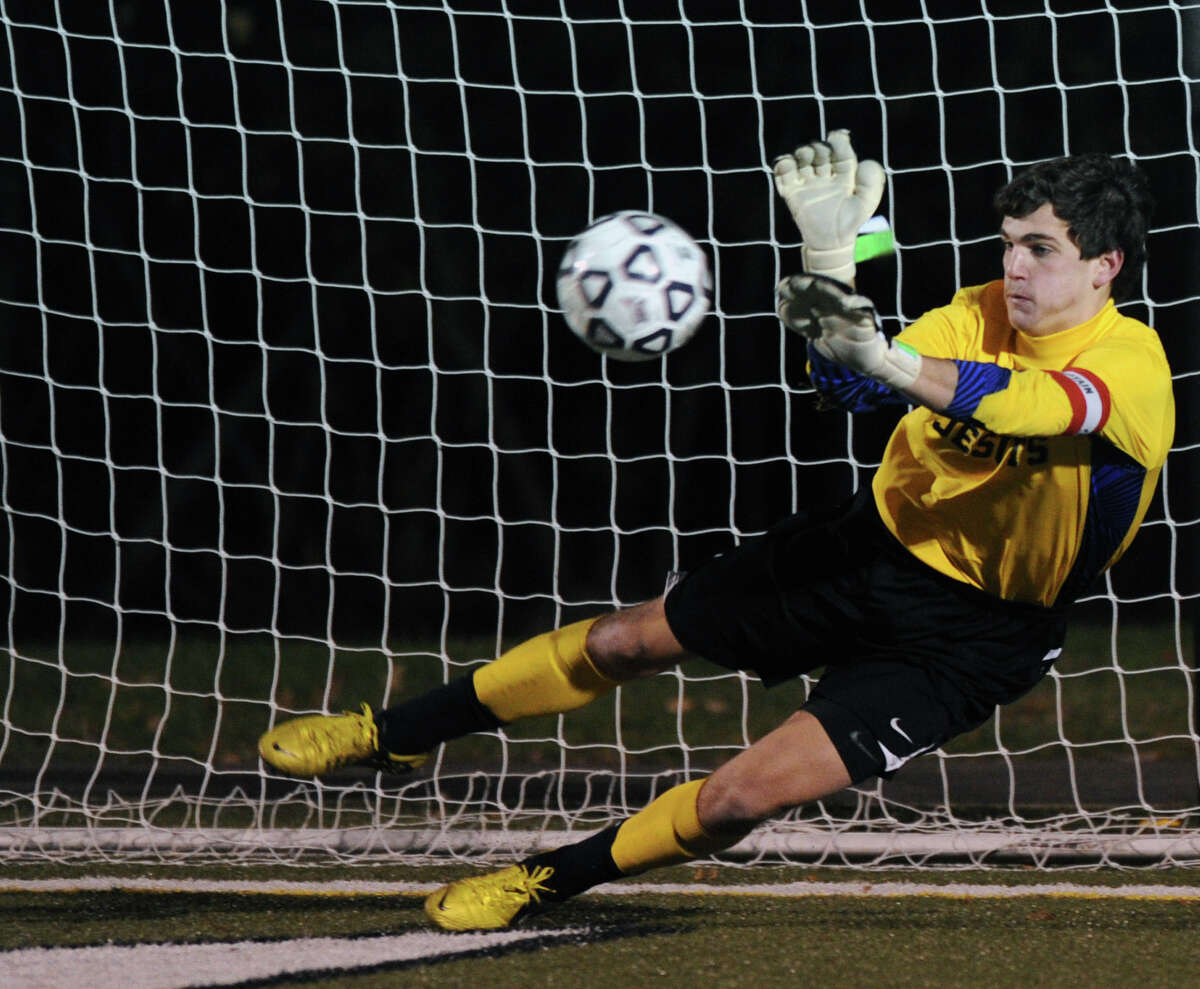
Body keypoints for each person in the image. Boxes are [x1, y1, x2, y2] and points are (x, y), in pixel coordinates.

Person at [257, 131, 1175, 931]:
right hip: (866, 546)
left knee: (741, 793)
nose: (1015, 267)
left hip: (974, 637)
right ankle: (396, 730)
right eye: (1011, 244)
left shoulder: (1131, 367)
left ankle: (544, 880)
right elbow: (850, 390)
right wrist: (831, 269)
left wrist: (887, 354)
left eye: (1042, 251)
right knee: (624, 637)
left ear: (1105, 267)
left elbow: (1032, 407)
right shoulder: (974, 312)